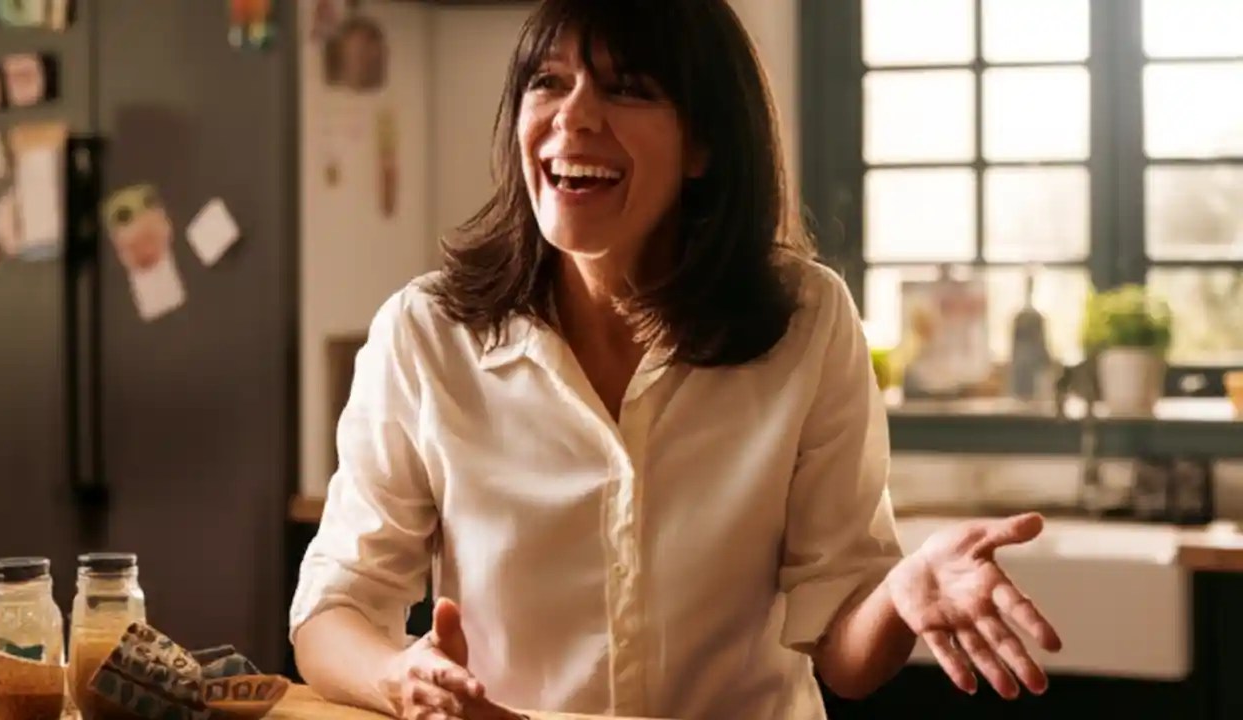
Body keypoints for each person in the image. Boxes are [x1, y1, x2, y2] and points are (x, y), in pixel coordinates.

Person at [289, 1, 1063, 718]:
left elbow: (846, 656)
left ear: (703, 144)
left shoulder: (807, 320)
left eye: (627, 88)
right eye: (548, 82)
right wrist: (400, 679)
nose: (574, 115)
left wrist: (900, 591)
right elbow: (334, 610)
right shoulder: (427, 334)